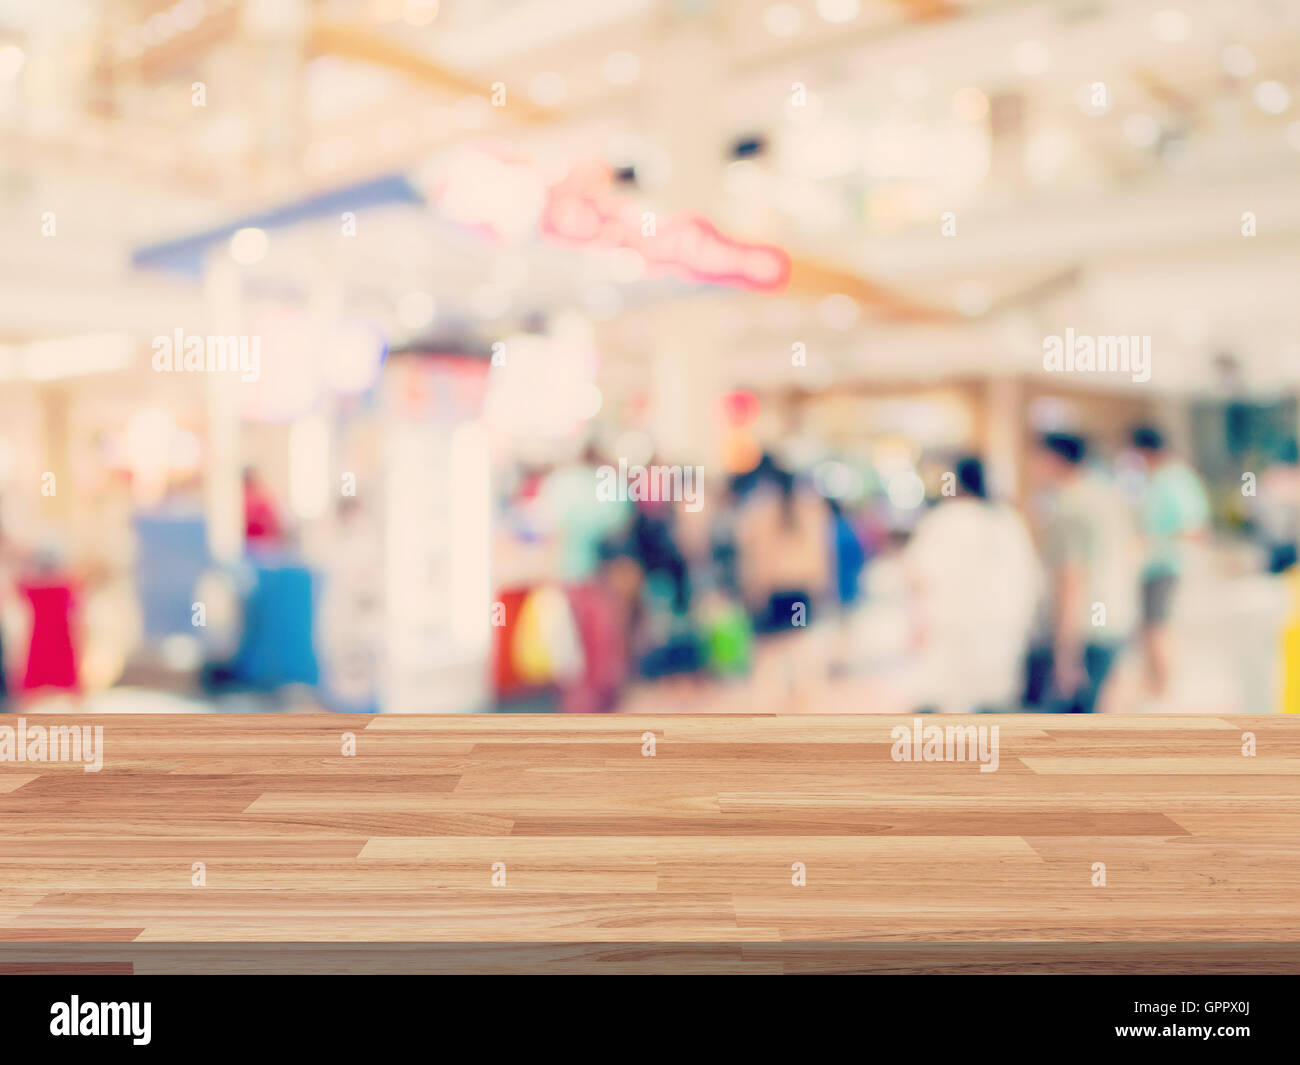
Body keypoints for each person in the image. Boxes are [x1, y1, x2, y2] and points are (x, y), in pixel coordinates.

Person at [903, 456, 1041, 712]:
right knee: (991, 704)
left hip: (949, 631)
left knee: (945, 703)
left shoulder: (943, 519)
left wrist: (916, 624)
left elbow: (916, 577)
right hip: (1000, 635)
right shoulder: (1009, 521)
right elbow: (1030, 579)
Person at [1034, 432, 1141, 713]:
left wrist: (1066, 655)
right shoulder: (1109, 497)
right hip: (1116, 620)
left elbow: (1073, 580)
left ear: (1053, 460)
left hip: (1085, 631)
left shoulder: (1069, 506)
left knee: (1068, 722)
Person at [1131, 425, 1209, 700]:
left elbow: (1194, 529)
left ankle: (1161, 691)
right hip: (1156, 564)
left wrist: (1156, 541)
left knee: (1157, 627)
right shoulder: (1165, 478)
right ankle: (1155, 687)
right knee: (1152, 628)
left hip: (1165, 565)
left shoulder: (1173, 479)